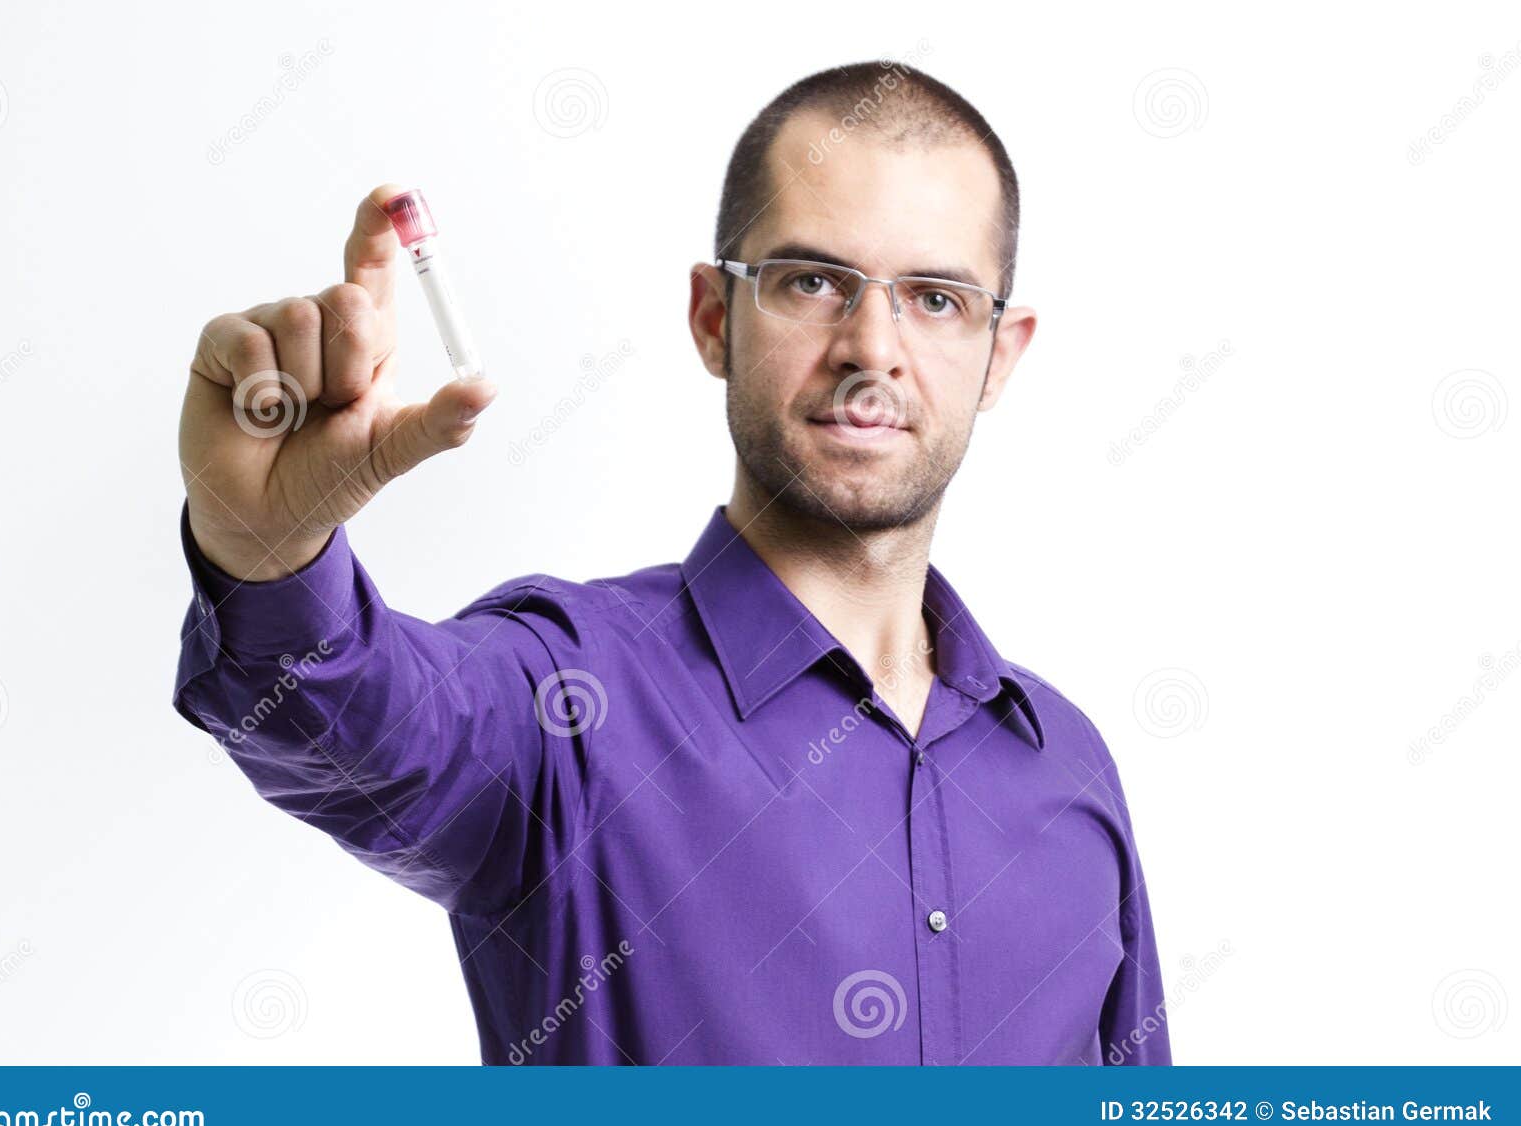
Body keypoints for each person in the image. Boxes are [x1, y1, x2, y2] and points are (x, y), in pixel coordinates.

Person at [172, 60, 1171, 1066]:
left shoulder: (1067, 769)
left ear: (1001, 351)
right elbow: (362, 720)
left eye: (937, 298)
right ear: (712, 318)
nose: (873, 346)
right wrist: (271, 556)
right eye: (813, 281)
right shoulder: (564, 704)